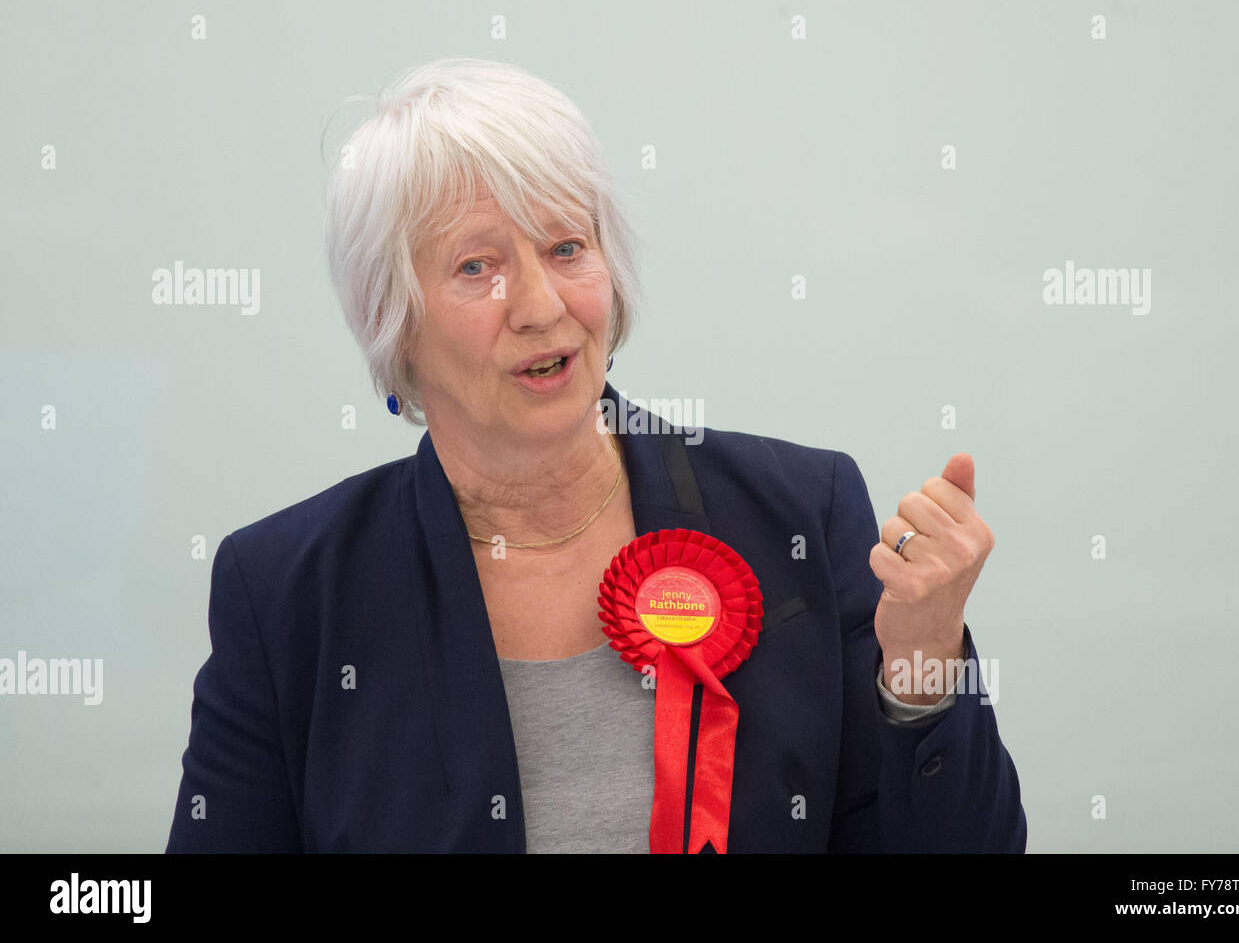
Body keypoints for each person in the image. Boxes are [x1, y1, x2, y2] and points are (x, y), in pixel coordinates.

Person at [165, 57, 1026, 853]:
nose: (541, 305)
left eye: (567, 248)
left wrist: (924, 661)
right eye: (477, 266)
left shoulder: (803, 509)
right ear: (394, 321)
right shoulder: (285, 592)